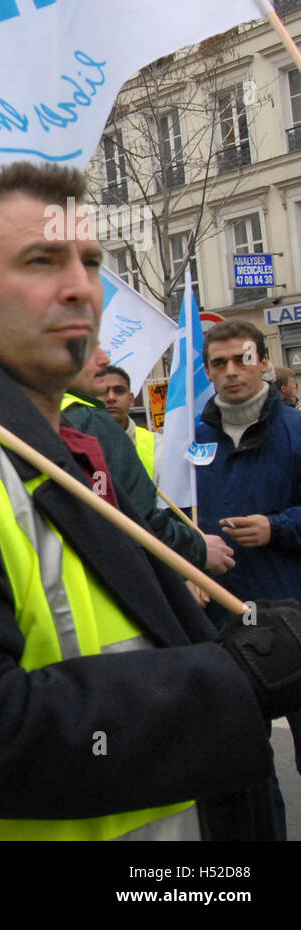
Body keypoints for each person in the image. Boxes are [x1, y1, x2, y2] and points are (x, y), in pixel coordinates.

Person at [0, 161, 297, 840]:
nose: (79, 287)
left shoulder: (62, 445)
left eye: (89, 262)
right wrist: (230, 679)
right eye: (42, 261)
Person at [194, 319, 301, 830]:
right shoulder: (187, 439)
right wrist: (188, 563)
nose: (232, 371)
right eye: (220, 363)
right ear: (208, 371)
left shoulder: (297, 431)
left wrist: (277, 527)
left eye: (242, 359)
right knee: (245, 770)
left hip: (294, 618)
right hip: (225, 623)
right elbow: (172, 516)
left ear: (262, 360)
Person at [61, 345, 230, 577]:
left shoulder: (33, 412)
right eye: (90, 345)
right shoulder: (89, 421)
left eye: (119, 391)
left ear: (131, 398)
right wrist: (196, 550)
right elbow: (136, 515)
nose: (104, 358)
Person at [96, 363, 157, 478]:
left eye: (119, 391)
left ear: (131, 400)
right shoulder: (77, 447)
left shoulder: (158, 446)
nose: (111, 398)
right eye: (103, 391)